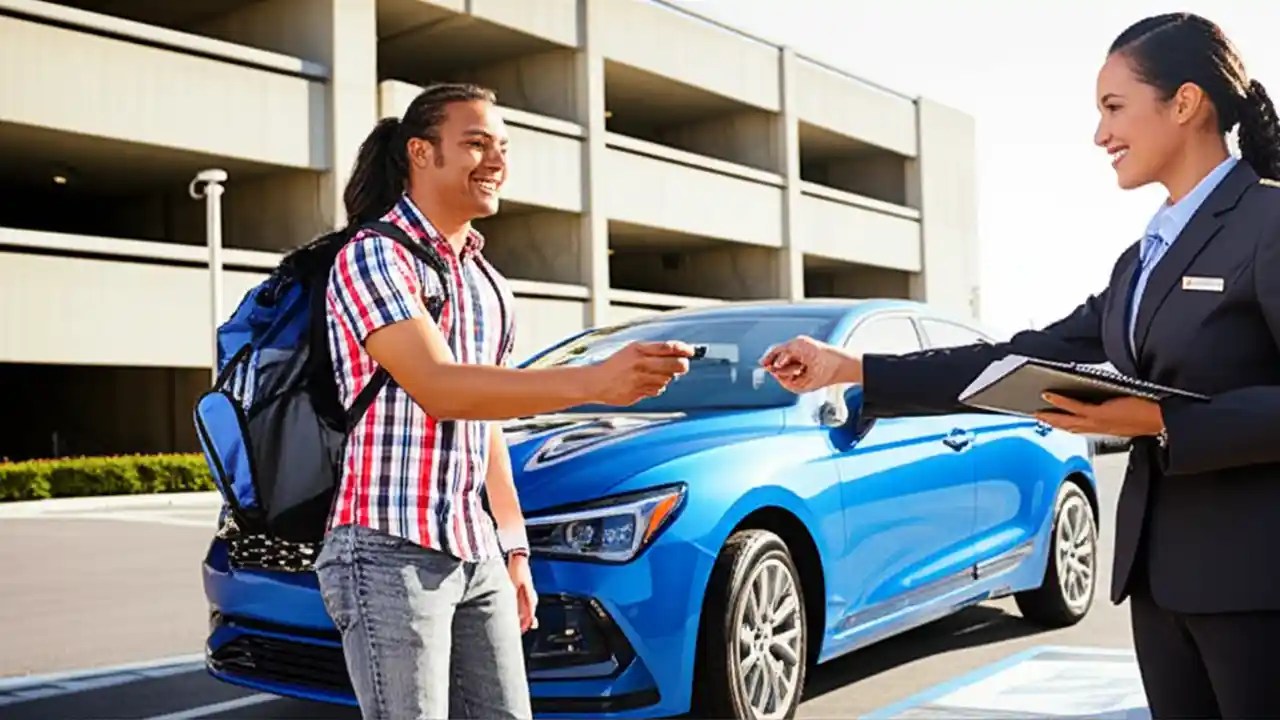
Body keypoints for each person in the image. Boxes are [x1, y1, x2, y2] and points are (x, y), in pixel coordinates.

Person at [761, 13, 1280, 720]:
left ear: (1184, 103)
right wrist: (850, 368)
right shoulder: (1140, 261)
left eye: (1114, 107)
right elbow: (1016, 358)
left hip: (1257, 588)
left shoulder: (1268, 222)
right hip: (1160, 588)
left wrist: (1161, 420)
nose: (1101, 134)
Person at [314, 82, 694, 720]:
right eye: (475, 143)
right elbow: (438, 387)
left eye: (502, 146)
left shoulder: (488, 282)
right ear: (421, 152)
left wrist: (514, 549)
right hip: (386, 545)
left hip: (476, 548)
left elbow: (483, 418)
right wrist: (593, 382)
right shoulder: (373, 256)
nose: (495, 160)